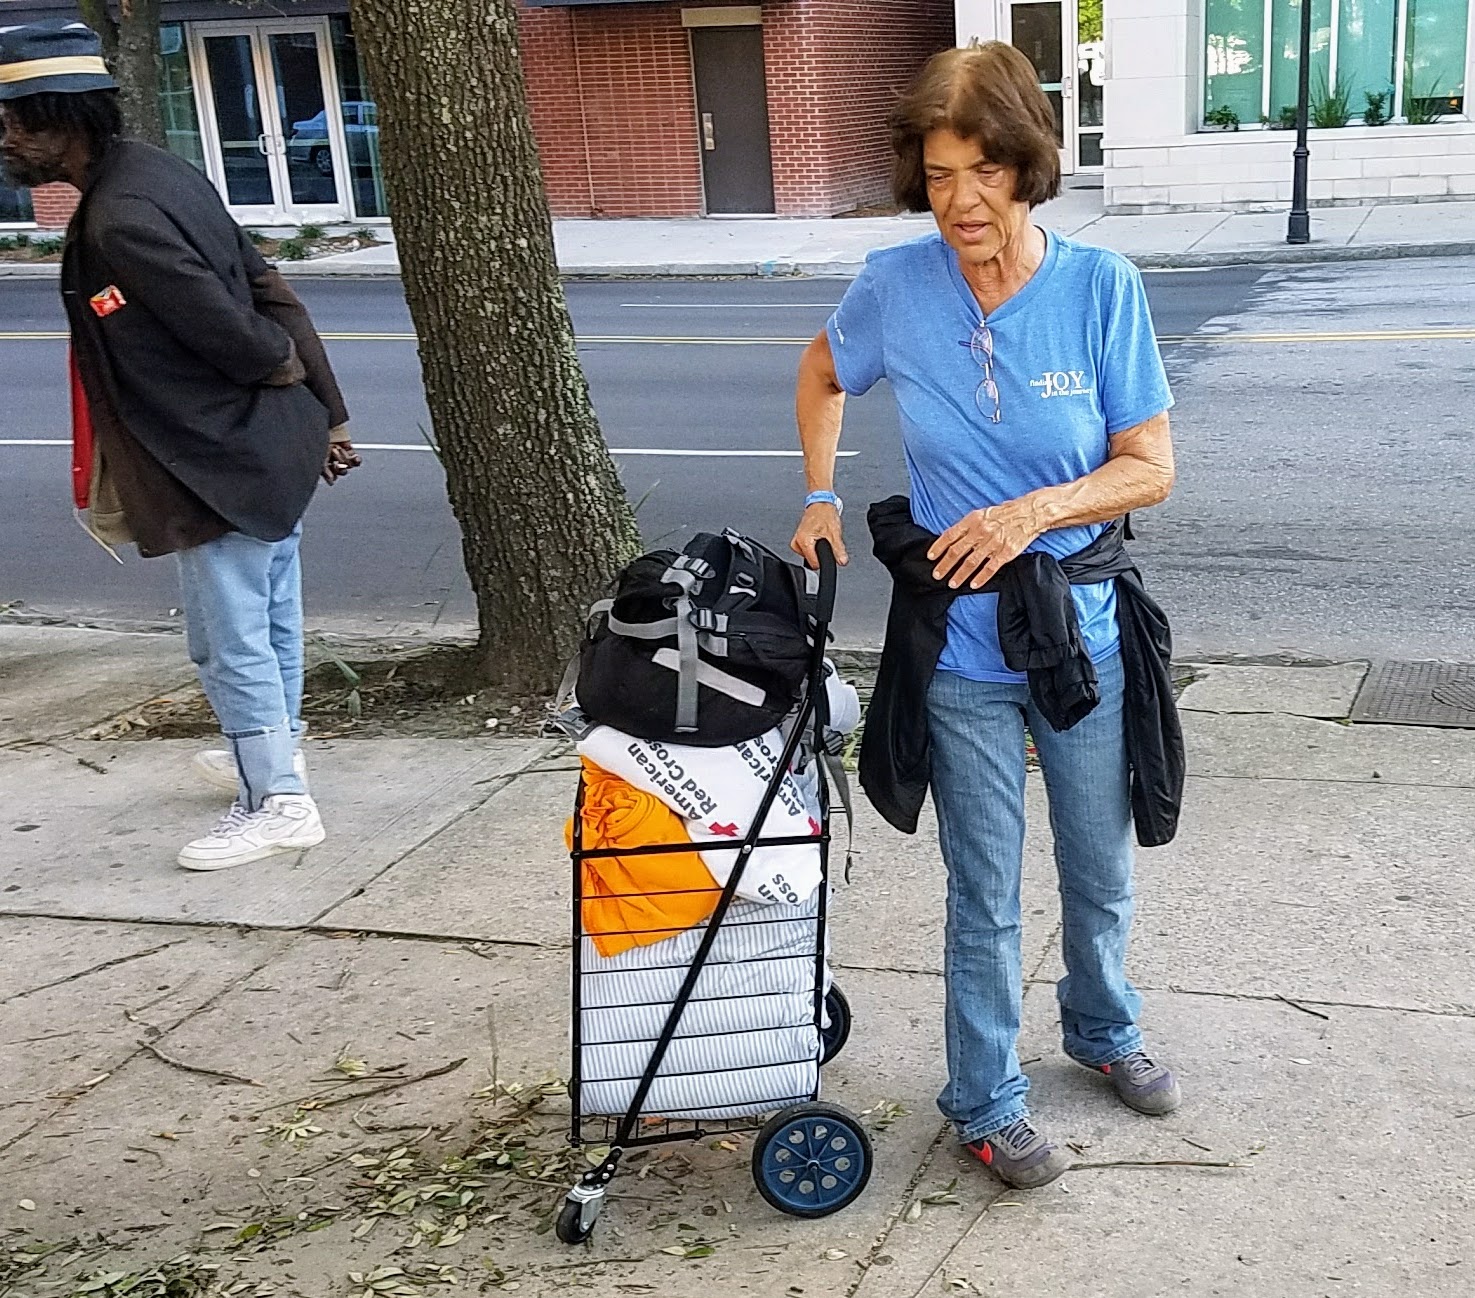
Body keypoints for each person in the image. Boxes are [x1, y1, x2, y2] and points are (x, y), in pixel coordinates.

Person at [791, 43, 1184, 1190]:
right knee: (983, 887)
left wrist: (1029, 513)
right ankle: (983, 1096)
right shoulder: (893, 286)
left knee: (1098, 863)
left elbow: (1148, 465)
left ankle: (1101, 1025)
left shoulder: (1100, 288)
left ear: (1026, 165)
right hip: (958, 646)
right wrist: (818, 493)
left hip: (1080, 631)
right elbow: (820, 371)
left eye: (984, 171)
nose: (960, 200)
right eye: (937, 174)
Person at [0, 21, 361, 872]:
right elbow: (270, 285)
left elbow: (237, 329)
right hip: (266, 448)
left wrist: (278, 368)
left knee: (228, 639)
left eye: (14, 123)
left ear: (62, 120)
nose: (5, 141)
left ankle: (277, 803)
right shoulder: (156, 171)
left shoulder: (120, 218)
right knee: (269, 617)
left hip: (215, 461)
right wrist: (327, 413)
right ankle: (275, 753)